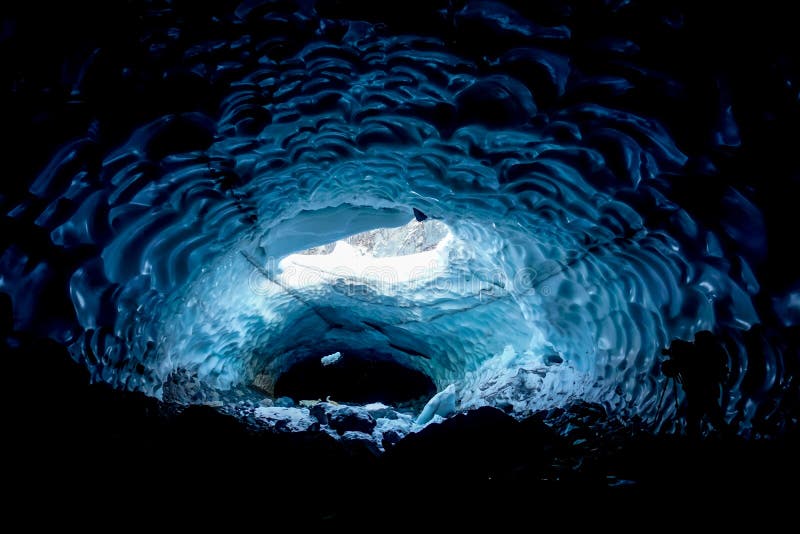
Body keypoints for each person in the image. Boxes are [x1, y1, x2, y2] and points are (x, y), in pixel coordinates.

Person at [661, 330, 729, 437]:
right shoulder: (708, 353)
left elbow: (679, 366)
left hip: (699, 393)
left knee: (696, 421)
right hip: (707, 392)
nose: (694, 342)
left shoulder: (699, 355)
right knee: (713, 419)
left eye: (697, 340)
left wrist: (674, 359)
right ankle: (728, 436)